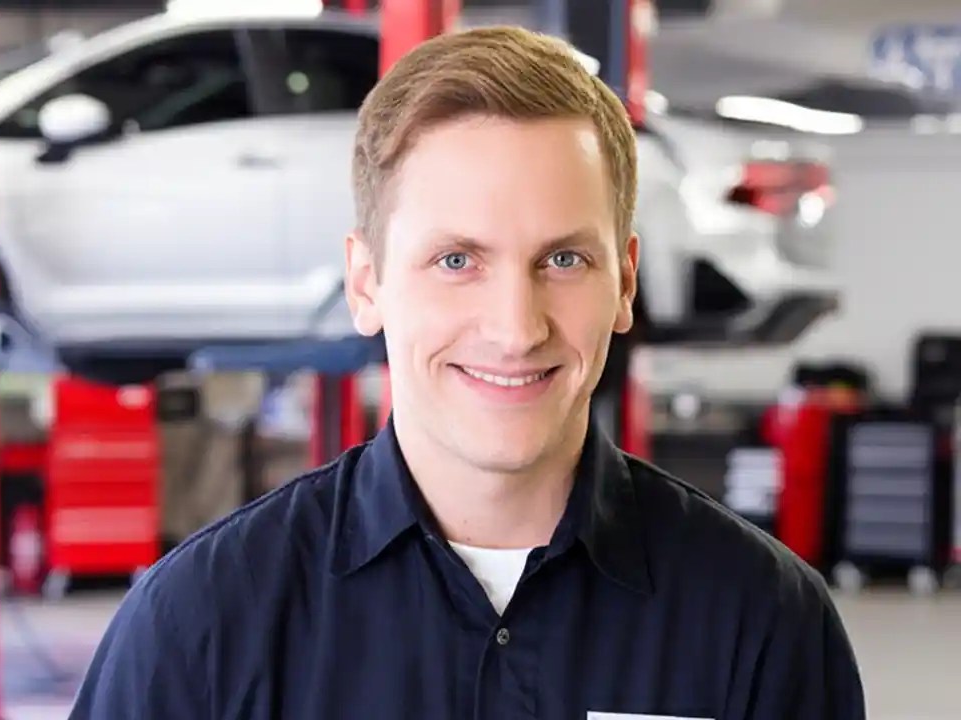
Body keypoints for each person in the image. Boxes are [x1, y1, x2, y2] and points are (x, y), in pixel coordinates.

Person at [69, 26, 865, 719]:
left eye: (562, 258)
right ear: (367, 282)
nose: (516, 329)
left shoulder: (760, 621)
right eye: (457, 260)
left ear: (624, 281)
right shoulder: (202, 623)